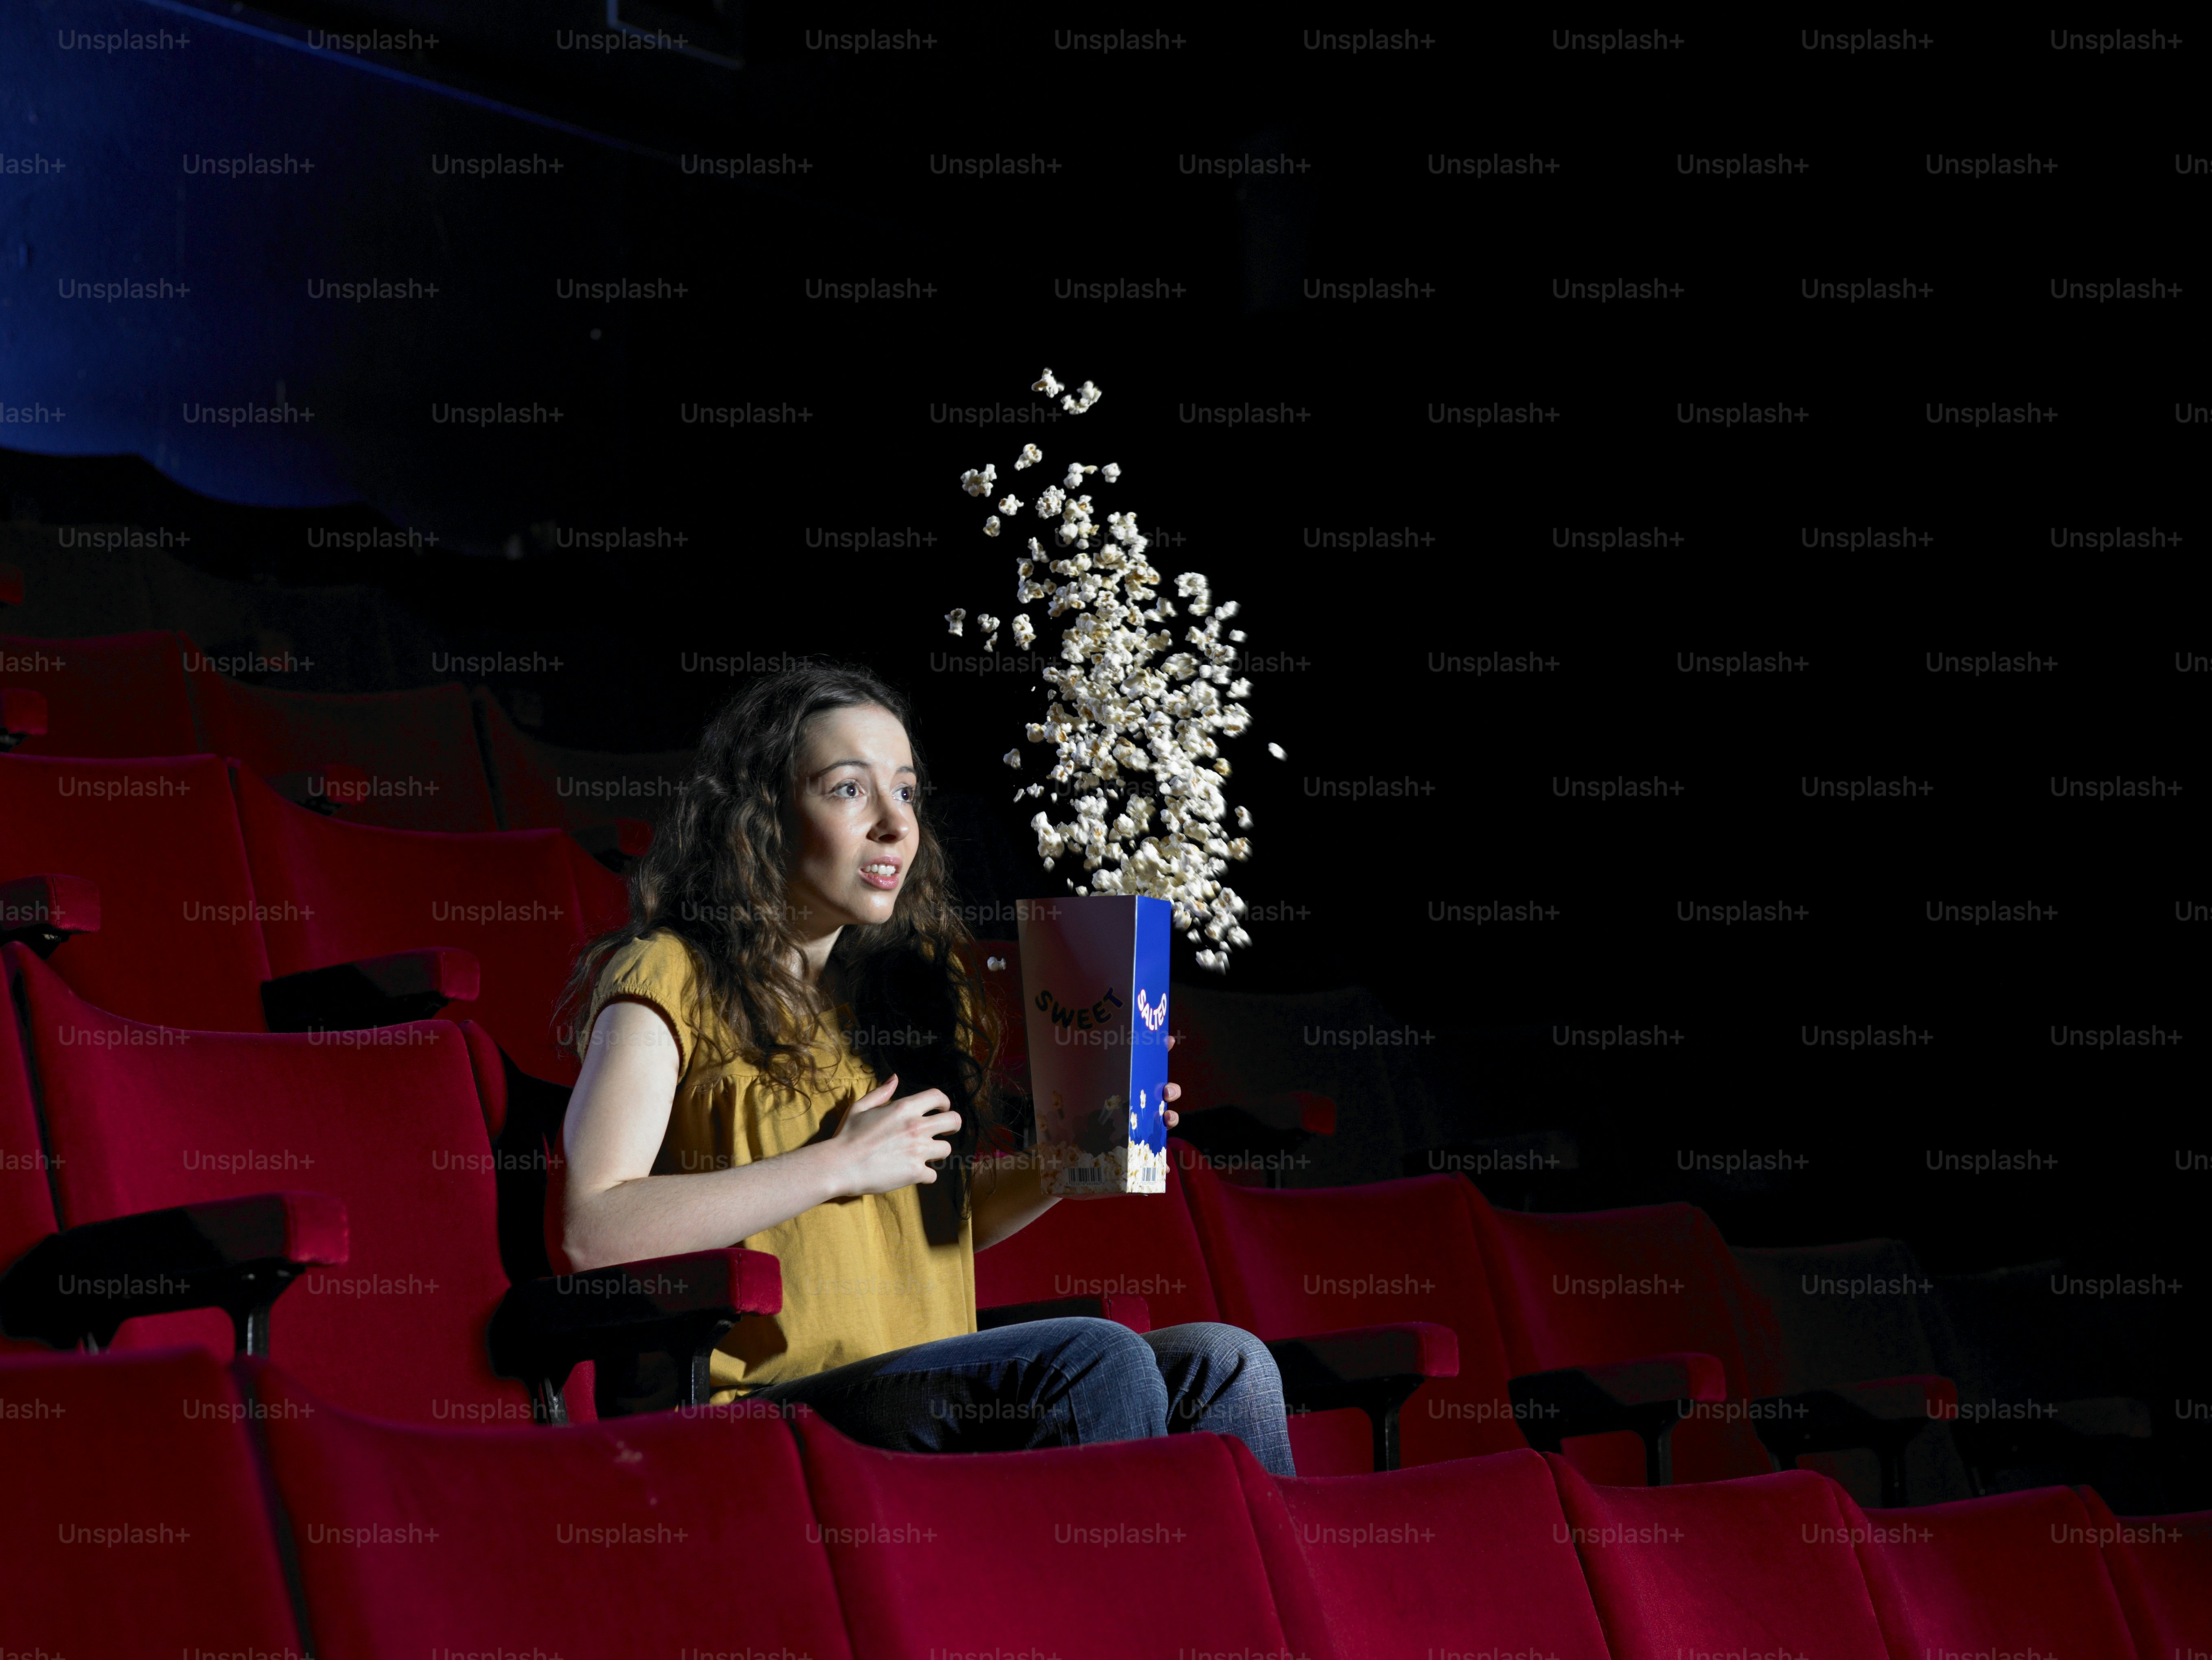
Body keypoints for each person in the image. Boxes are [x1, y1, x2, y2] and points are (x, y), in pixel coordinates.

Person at [554, 662, 1294, 1474]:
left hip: (920, 1379)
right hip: (764, 1406)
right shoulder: (669, 972)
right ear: (761, 814)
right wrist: (836, 1165)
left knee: (1229, 1363)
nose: (894, 825)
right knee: (1096, 1357)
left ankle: (1220, 1566)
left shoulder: (909, 997)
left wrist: (1066, 1160)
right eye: (849, 790)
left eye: (905, 792)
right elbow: (594, 1233)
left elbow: (935, 1222)